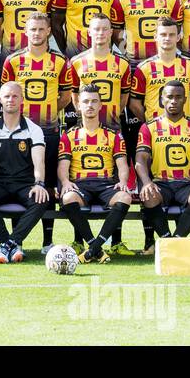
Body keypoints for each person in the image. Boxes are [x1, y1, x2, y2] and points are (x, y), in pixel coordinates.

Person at [0, 12, 73, 251]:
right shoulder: (12, 61)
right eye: (33, 30)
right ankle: (12, 238)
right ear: (26, 31)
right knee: (17, 180)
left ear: (49, 31)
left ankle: (47, 239)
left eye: (41, 29)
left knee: (47, 184)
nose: (37, 34)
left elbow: (64, 96)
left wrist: (48, 111)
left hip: (48, 130)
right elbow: (6, 93)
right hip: (19, 133)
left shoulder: (61, 62)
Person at [57, 84, 136, 264]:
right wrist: (65, 181)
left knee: (124, 197)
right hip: (80, 184)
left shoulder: (113, 135)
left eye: (94, 101)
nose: (90, 105)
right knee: (68, 198)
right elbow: (63, 166)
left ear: (101, 105)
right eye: (86, 101)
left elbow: (122, 165)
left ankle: (93, 248)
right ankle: (97, 248)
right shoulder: (69, 135)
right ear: (78, 105)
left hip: (105, 184)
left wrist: (123, 181)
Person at [0, 81, 49, 263]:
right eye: (7, 96)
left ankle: (8, 244)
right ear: (0, 100)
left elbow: (39, 162)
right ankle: (9, 243)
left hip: (25, 184)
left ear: (22, 99)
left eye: (15, 96)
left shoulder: (34, 130)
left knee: (42, 198)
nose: (11, 100)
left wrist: (39, 184)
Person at [134, 80, 190, 242]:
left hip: (187, 184)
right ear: (162, 100)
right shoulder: (148, 127)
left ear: (185, 100)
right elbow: (140, 159)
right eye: (169, 97)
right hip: (160, 183)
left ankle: (175, 241)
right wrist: (147, 182)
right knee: (149, 196)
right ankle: (166, 238)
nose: (174, 101)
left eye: (178, 97)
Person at [64, 13, 132, 131]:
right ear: (89, 32)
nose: (101, 33)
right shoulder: (76, 62)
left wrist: (114, 115)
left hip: (113, 127)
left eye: (105, 29)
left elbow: (124, 97)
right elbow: (74, 94)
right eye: (97, 29)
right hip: (86, 128)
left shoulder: (123, 63)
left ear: (110, 32)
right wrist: (83, 114)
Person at [130, 17, 190, 123]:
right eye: (163, 34)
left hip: (184, 131)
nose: (167, 38)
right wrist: (151, 124)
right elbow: (134, 104)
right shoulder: (144, 68)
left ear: (178, 37)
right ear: (155, 37)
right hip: (156, 132)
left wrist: (181, 119)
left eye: (172, 35)